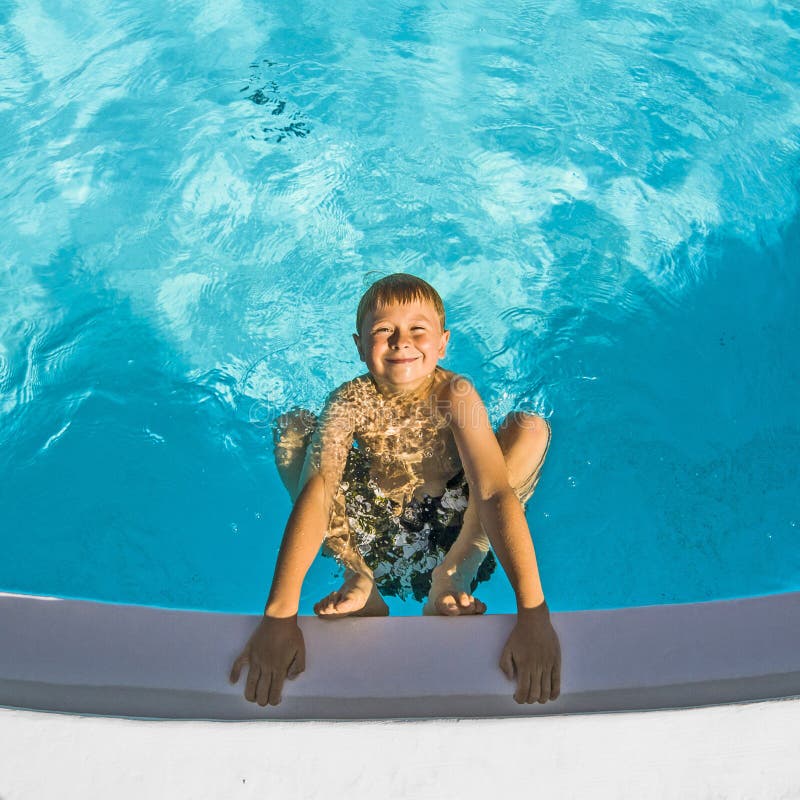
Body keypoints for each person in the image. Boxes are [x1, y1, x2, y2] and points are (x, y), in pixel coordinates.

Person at [230, 273, 560, 706]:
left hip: (456, 523)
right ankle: (360, 576)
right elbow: (319, 491)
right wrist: (279, 615)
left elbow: (494, 493)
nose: (402, 342)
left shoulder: (455, 394)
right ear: (359, 345)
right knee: (292, 429)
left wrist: (533, 614)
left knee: (529, 429)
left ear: (443, 343)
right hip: (371, 524)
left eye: (416, 330)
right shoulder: (350, 401)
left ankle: (455, 572)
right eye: (384, 331)